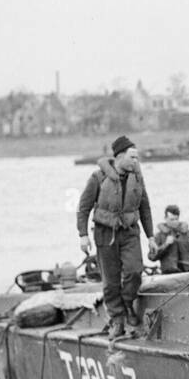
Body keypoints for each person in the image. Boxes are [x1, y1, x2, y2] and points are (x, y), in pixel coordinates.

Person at [77, 135, 160, 337]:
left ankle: (127, 302)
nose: (136, 161)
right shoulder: (98, 178)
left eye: (137, 158)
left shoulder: (137, 178)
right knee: (111, 281)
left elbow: (145, 207)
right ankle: (117, 319)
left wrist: (150, 237)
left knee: (134, 271)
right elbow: (84, 207)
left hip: (130, 232)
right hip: (106, 234)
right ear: (120, 157)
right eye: (133, 157)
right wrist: (82, 235)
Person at [153, 203, 189, 274]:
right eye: (172, 219)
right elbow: (152, 256)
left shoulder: (187, 233)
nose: (175, 222)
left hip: (188, 272)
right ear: (165, 218)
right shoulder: (159, 236)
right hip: (170, 274)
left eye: (176, 219)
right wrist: (166, 245)